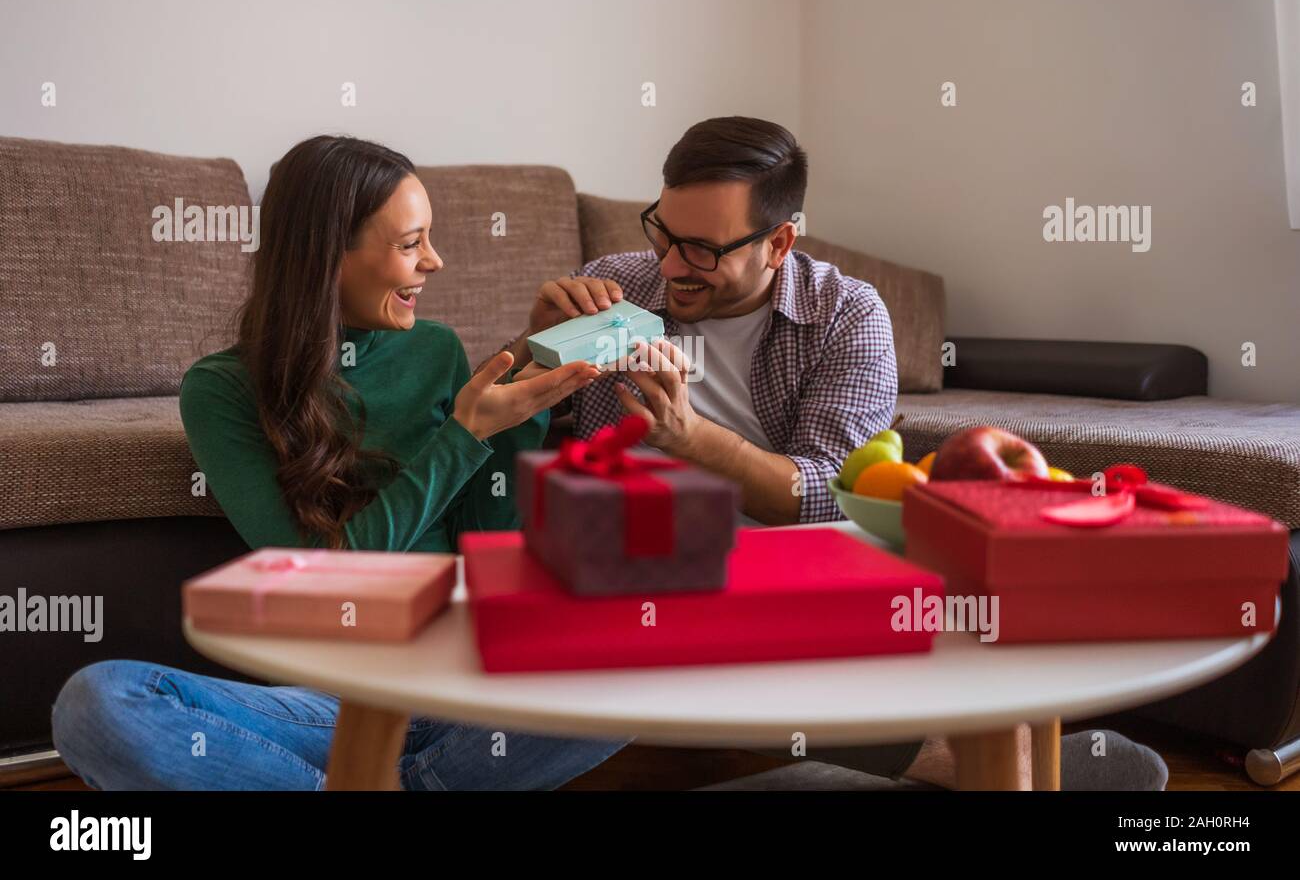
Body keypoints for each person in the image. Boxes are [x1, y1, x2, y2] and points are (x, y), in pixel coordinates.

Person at [506, 116, 1169, 790]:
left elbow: (826, 494)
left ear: (779, 242)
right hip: (613, 562)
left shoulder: (846, 314)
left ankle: (965, 759)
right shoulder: (616, 283)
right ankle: (966, 763)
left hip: (779, 575)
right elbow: (486, 432)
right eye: (664, 233)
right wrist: (531, 348)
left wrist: (690, 439)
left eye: (703, 249)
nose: (672, 266)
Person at [50, 135, 629, 790]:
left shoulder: (435, 350)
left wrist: (525, 395)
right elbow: (319, 580)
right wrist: (463, 434)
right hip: (335, 702)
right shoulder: (221, 391)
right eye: (411, 244)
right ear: (328, 259)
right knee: (98, 703)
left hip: (467, 678)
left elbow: (485, 544)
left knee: (652, 637)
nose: (434, 262)